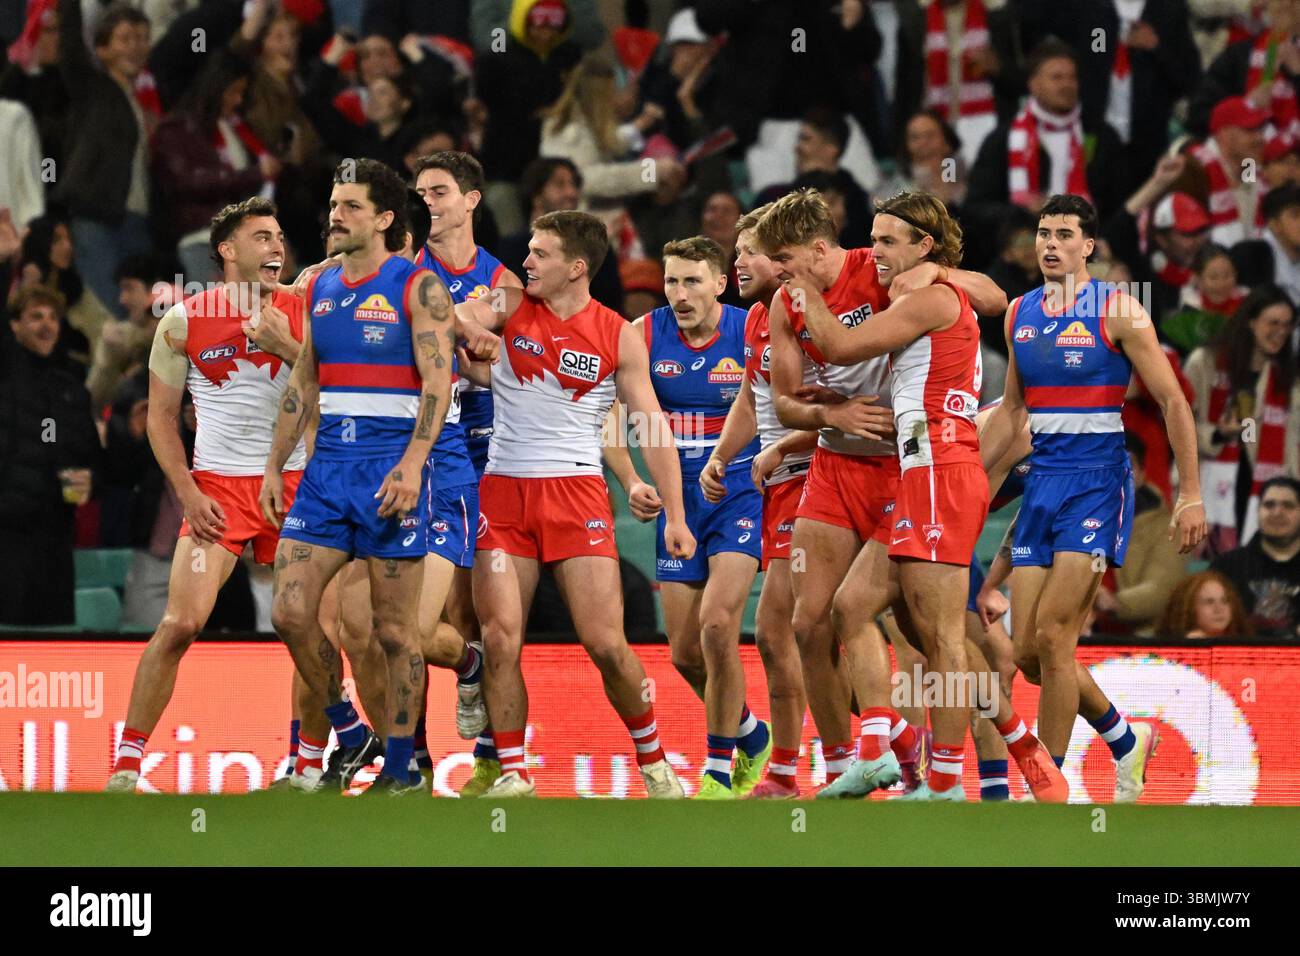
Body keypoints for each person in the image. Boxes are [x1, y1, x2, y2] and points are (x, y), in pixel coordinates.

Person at [792, 190, 1065, 801]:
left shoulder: (937, 298)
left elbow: (837, 346)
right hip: (921, 473)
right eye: (874, 238)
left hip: (941, 470)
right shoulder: (929, 292)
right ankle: (1011, 741)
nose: (876, 251)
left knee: (940, 637)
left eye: (889, 241)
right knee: (851, 608)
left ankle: (944, 782)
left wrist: (803, 290)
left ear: (925, 247)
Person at [755, 187, 1007, 792]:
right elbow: (785, 400)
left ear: (818, 249)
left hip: (911, 468)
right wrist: (826, 419)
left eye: (783, 258)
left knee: (927, 631)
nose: (775, 271)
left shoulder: (893, 275)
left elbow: (996, 298)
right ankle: (858, 758)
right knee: (812, 618)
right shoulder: (785, 304)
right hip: (841, 465)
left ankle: (979, 765)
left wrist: (935, 265)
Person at [454, 209, 692, 798]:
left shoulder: (618, 333)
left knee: (607, 643)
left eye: (540, 254)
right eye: (528, 250)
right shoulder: (508, 300)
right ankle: (513, 771)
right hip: (504, 492)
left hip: (577, 494)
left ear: (576, 267)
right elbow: (451, 316)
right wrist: (472, 330)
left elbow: (651, 423)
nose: (527, 261)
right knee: (502, 637)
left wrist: (676, 515)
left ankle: (655, 762)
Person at [980, 193, 1208, 802]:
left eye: (1063, 234)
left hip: (1099, 485)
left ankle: (1046, 782)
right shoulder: (1018, 315)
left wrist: (1190, 493)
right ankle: (1126, 741)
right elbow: (1010, 413)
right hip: (1042, 484)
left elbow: (1173, 402)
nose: (1050, 243)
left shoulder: (1119, 311)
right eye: (1042, 232)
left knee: (1055, 637)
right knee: (1029, 653)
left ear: (1088, 247)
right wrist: (971, 487)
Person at [260, 159, 457, 795]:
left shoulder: (418, 288)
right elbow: (305, 378)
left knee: (396, 634)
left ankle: (403, 769)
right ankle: (350, 727)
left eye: (348, 206)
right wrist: (274, 463)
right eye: (333, 203)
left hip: (389, 477)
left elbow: (438, 383)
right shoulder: (319, 287)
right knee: (289, 613)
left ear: (383, 218)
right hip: (324, 478)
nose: (334, 215)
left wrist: (412, 464)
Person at [104, 197, 306, 792]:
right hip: (217, 491)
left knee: (309, 631)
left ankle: (303, 763)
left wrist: (291, 348)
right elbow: (160, 420)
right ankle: (127, 765)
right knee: (181, 622)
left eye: (279, 237)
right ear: (227, 250)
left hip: (294, 488)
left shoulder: (305, 313)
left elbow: (336, 391)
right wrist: (189, 494)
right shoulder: (183, 321)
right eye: (262, 237)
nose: (276, 247)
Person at [604, 236, 768, 800]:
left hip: (740, 490)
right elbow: (610, 419)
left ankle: (718, 770)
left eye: (692, 280)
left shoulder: (750, 330)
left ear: (720, 283)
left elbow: (782, 403)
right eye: (672, 281)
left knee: (719, 625)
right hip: (678, 502)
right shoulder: (644, 335)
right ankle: (750, 731)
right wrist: (632, 480)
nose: (679, 293)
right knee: (684, 653)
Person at [411, 150, 522, 795]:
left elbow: (496, 343)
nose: (430, 201)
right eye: (422, 191)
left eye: (441, 191)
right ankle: (418, 753)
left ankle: (489, 756)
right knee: (436, 607)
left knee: (483, 603)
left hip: (488, 448)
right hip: (433, 440)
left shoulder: (502, 279)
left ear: (473, 199)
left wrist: (440, 316)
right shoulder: (407, 268)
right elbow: (469, 336)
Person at [699, 204, 815, 798]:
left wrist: (785, 449)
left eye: (748, 252)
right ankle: (868, 750)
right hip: (778, 485)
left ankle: (811, 765)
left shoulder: (815, 312)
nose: (736, 261)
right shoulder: (753, 321)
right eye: (736, 251)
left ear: (783, 255)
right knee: (798, 629)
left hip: (821, 479)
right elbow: (750, 400)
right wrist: (723, 456)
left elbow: (849, 406)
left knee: (782, 628)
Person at [966, 39, 1129, 268]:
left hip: (1087, 256)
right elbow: (975, 208)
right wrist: (1023, 211)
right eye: (1057, 77)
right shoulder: (1003, 139)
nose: (1067, 85)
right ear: (1033, 84)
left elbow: (1119, 203)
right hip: (1020, 258)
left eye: (1072, 78)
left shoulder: (1101, 136)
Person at [0, 284, 99, 627]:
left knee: (55, 643)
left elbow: (95, 460)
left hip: (56, 540)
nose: (47, 325)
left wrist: (92, 481)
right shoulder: (6, 374)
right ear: (13, 325)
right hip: (7, 538)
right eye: (35, 317)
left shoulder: (71, 386)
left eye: (54, 317)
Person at [53, 0, 155, 314]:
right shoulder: (94, 89)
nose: (135, 47)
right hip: (97, 219)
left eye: (141, 38)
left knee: (143, 317)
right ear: (102, 50)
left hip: (136, 221)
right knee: (115, 310)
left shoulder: (139, 103)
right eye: (125, 39)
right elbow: (70, 46)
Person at [1184, 285, 1300, 554]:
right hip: (1210, 478)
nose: (1281, 331)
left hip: (1267, 485)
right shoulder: (1206, 362)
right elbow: (1178, 422)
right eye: (1273, 323)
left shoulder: (1289, 377)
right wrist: (1218, 433)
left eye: (1287, 325)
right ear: (1250, 321)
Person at [150, 51, 280, 284]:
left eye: (242, 92)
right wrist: (253, 175)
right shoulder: (177, 129)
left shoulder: (235, 129)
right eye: (233, 92)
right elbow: (188, 181)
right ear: (214, 87)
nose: (238, 100)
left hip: (241, 243)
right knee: (212, 314)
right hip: (202, 241)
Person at [496, 156, 625, 314]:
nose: (571, 193)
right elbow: (513, 297)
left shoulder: (595, 246)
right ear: (536, 197)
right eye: (559, 184)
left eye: (574, 185)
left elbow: (610, 300)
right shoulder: (512, 248)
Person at [1092, 434, 1189, 633]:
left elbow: (1161, 589)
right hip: (1077, 633)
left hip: (1137, 641)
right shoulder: (1072, 520)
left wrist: (1112, 602)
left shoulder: (1166, 527)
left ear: (1143, 475)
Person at [1211, 475, 1300, 636]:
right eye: (1269, 505)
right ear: (1257, 511)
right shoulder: (1225, 567)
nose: (1277, 512)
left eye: (1288, 506)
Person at [1155, 570, 1255, 638]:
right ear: (1189, 608)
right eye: (1209, 602)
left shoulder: (1249, 648)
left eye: (1225, 601)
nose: (1219, 609)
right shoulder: (1165, 654)